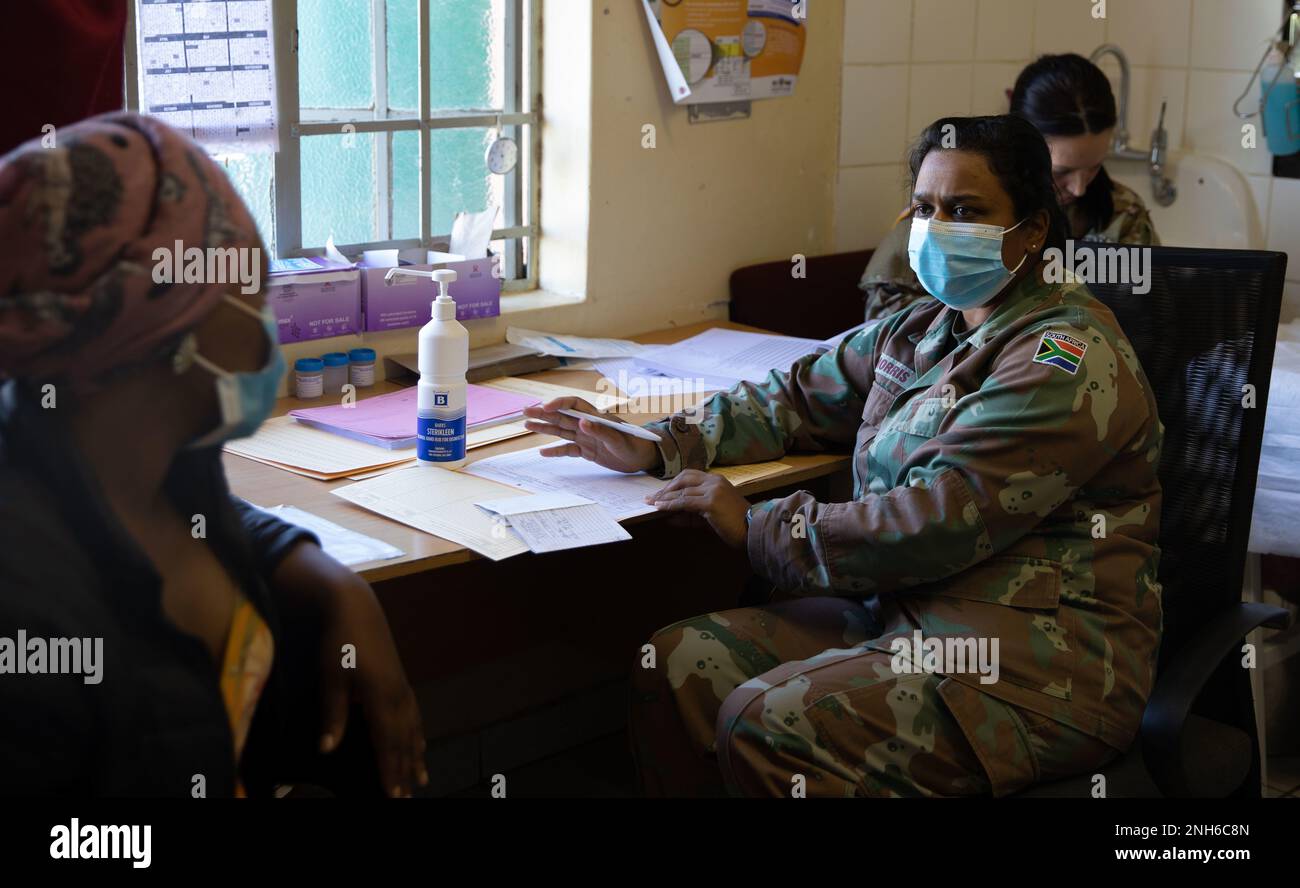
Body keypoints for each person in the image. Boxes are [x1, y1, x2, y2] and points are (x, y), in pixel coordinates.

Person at [524, 115, 1163, 797]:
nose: (938, 226)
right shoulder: (926, 326)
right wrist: (659, 442)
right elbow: (797, 395)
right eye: (925, 208)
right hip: (901, 614)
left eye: (965, 210)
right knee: (681, 664)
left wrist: (759, 526)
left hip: (1032, 666)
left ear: (1033, 231)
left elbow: (936, 519)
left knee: (767, 723)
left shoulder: (1063, 356)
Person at [0, 113, 425, 797]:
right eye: (250, 292)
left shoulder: (160, 456)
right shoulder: (27, 620)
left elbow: (202, 518)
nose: (268, 320)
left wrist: (327, 578)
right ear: (169, 328)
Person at [861, 53, 1160, 322]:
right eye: (1063, 171)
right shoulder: (944, 212)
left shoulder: (1122, 212)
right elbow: (884, 320)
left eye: (1095, 166)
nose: (1080, 188)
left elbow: (1155, 310)